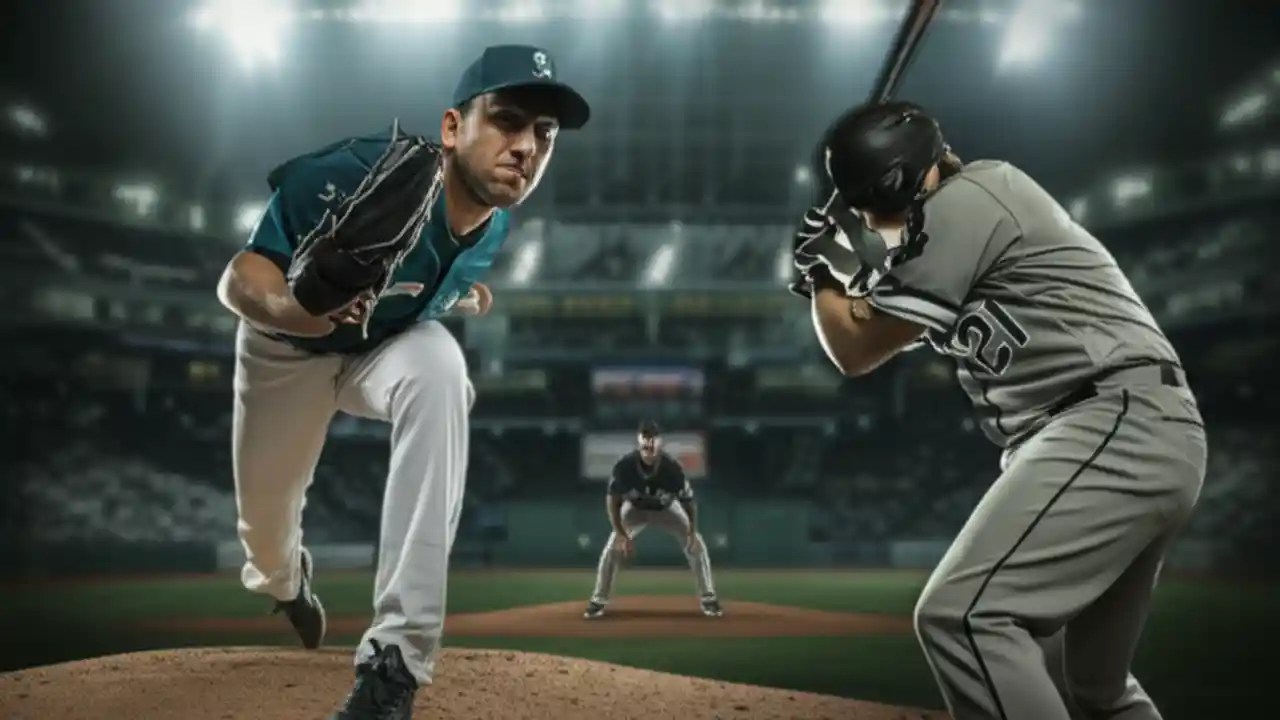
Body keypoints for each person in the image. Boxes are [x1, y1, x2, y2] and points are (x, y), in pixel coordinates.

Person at [791, 101, 1205, 720]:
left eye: (870, 204)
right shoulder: (958, 221)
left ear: (906, 181)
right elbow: (874, 308)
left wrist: (825, 271)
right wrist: (838, 268)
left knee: (963, 617)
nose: (869, 219)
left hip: (1110, 419)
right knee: (1096, 689)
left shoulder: (971, 198)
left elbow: (855, 347)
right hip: (1136, 429)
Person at [214, 45, 590, 720]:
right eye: (507, 120)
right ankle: (285, 579)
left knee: (442, 368)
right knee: (265, 533)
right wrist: (295, 307)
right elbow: (240, 275)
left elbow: (425, 283)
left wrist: (462, 299)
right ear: (452, 129)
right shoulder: (362, 174)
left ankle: (396, 659)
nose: (526, 146)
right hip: (284, 350)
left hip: (375, 353)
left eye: (544, 135)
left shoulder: (493, 228)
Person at [583, 420, 723, 619]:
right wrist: (622, 534)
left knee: (696, 545)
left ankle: (708, 597)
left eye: (652, 444)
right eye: (645, 445)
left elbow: (688, 502)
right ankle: (598, 600)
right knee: (612, 548)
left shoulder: (672, 470)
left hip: (666, 509)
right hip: (635, 510)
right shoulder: (625, 467)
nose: (649, 449)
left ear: (659, 444)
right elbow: (612, 502)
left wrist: (691, 530)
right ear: (639, 445)